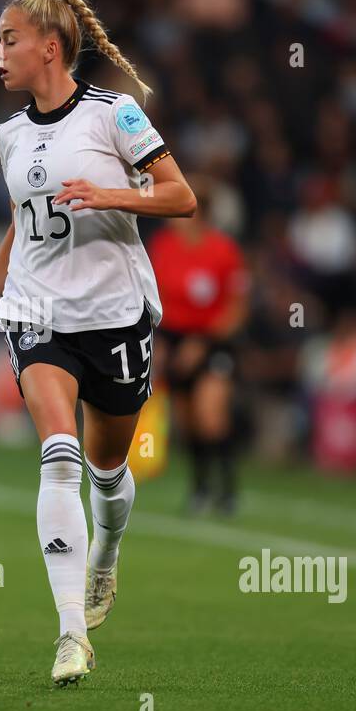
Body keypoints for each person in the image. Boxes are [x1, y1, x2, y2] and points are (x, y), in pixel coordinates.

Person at [0, 0, 196, 686]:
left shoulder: (114, 116)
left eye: (8, 40)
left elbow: (182, 194)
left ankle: (106, 557)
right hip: (38, 312)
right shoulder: (8, 135)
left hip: (114, 315)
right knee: (59, 452)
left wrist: (111, 193)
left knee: (108, 471)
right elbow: (22, 224)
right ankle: (69, 637)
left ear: (49, 49)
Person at [148, 198, 250, 514]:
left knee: (210, 415)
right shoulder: (162, 246)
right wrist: (158, 342)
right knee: (187, 421)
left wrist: (202, 342)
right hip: (173, 340)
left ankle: (229, 490)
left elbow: (237, 307)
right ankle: (201, 488)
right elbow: (151, 295)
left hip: (213, 341)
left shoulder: (224, 251)